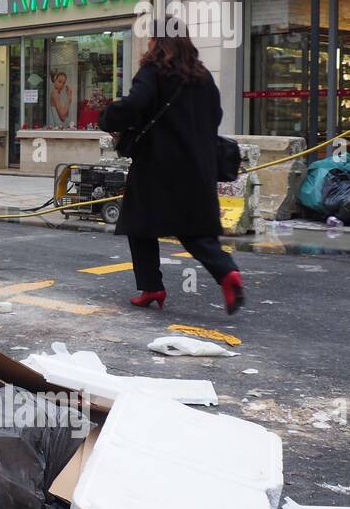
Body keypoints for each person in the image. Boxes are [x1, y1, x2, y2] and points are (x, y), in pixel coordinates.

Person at [98, 34, 244, 314]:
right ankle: (226, 271)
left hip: (157, 164)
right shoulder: (202, 76)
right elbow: (216, 115)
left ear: (158, 41)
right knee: (193, 229)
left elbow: (136, 103)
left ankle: (152, 286)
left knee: (140, 223)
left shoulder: (153, 71)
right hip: (198, 167)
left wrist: (108, 116)